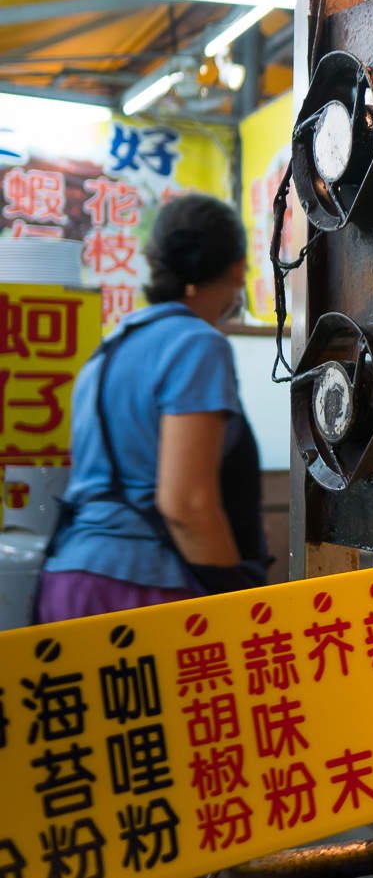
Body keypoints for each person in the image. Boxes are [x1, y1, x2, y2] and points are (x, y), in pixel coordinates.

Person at [36, 193, 268, 622]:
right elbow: (186, 505)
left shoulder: (110, 347)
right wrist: (238, 610)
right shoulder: (197, 344)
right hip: (141, 587)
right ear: (238, 268)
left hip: (68, 580)